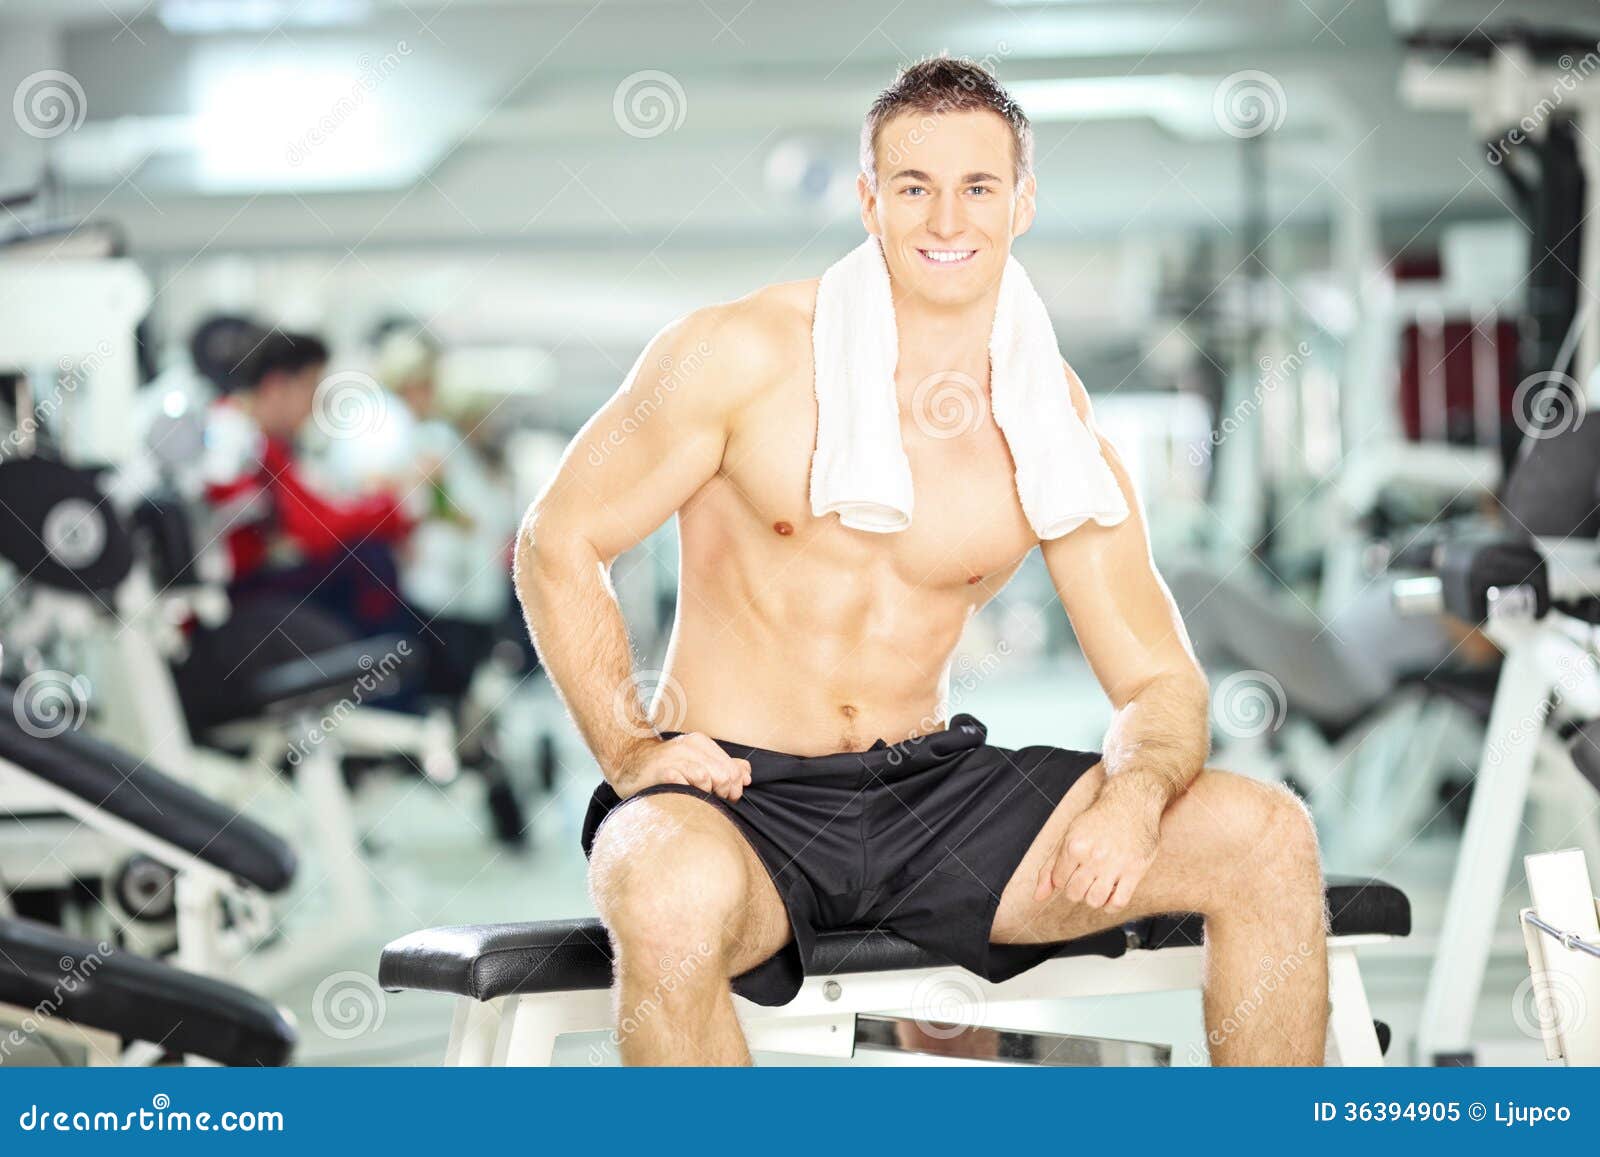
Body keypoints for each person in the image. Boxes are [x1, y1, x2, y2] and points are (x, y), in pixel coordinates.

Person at [515, 57, 1328, 1066]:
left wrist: (1131, 794)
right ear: (869, 199)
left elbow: (1161, 680)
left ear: (1021, 203)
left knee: (1263, 834)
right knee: (657, 878)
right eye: (914, 187)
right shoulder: (738, 356)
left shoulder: (1048, 421)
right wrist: (631, 750)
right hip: (737, 797)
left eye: (978, 187)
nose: (948, 220)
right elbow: (558, 537)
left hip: (929, 793)